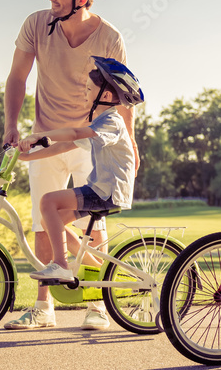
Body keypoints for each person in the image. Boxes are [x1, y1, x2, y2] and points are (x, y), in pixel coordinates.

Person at [2, 0, 137, 332]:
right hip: (44, 138)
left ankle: (98, 306)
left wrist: (132, 145)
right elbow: (17, 76)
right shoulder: (36, 24)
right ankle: (44, 307)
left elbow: (121, 97)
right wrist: (11, 125)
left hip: (88, 139)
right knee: (44, 224)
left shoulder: (109, 37)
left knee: (95, 225)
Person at [18, 57, 143, 290]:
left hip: (106, 191)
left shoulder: (111, 122)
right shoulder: (100, 122)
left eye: (88, 89)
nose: (84, 94)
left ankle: (61, 265)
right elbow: (67, 146)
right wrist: (27, 156)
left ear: (104, 96)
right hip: (101, 189)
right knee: (48, 220)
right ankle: (102, 274)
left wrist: (40, 135)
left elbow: (74, 133)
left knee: (47, 201)